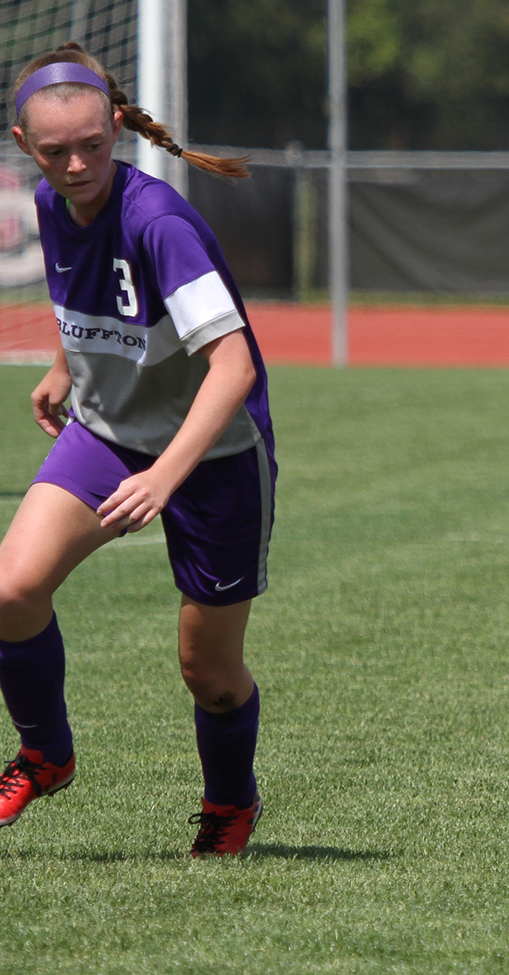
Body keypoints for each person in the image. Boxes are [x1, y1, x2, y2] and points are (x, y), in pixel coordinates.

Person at [0, 44, 272, 856]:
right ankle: (47, 753)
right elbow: (83, 291)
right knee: (10, 591)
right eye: (55, 153)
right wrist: (63, 363)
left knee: (210, 676)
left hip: (212, 458)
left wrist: (165, 476)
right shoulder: (52, 204)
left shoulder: (159, 222)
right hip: (108, 434)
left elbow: (235, 365)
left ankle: (231, 803)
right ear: (24, 147)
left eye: (92, 144)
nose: (77, 164)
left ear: (116, 125)